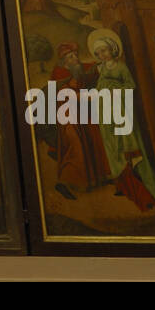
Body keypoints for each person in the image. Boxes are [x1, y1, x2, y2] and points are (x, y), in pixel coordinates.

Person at [88, 28, 155, 211]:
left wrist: (112, 91)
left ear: (112, 49)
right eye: (98, 53)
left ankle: (148, 190)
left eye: (104, 50)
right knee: (114, 149)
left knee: (132, 151)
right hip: (107, 113)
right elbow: (99, 88)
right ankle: (127, 186)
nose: (102, 55)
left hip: (121, 111)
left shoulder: (120, 66)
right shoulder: (101, 68)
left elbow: (130, 86)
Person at [48, 42, 110, 199]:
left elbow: (91, 73)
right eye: (71, 57)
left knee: (94, 138)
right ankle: (64, 183)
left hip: (82, 116)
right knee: (75, 150)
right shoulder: (60, 77)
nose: (75, 58)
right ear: (65, 62)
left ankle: (96, 178)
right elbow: (68, 95)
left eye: (75, 55)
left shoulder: (78, 71)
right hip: (69, 120)